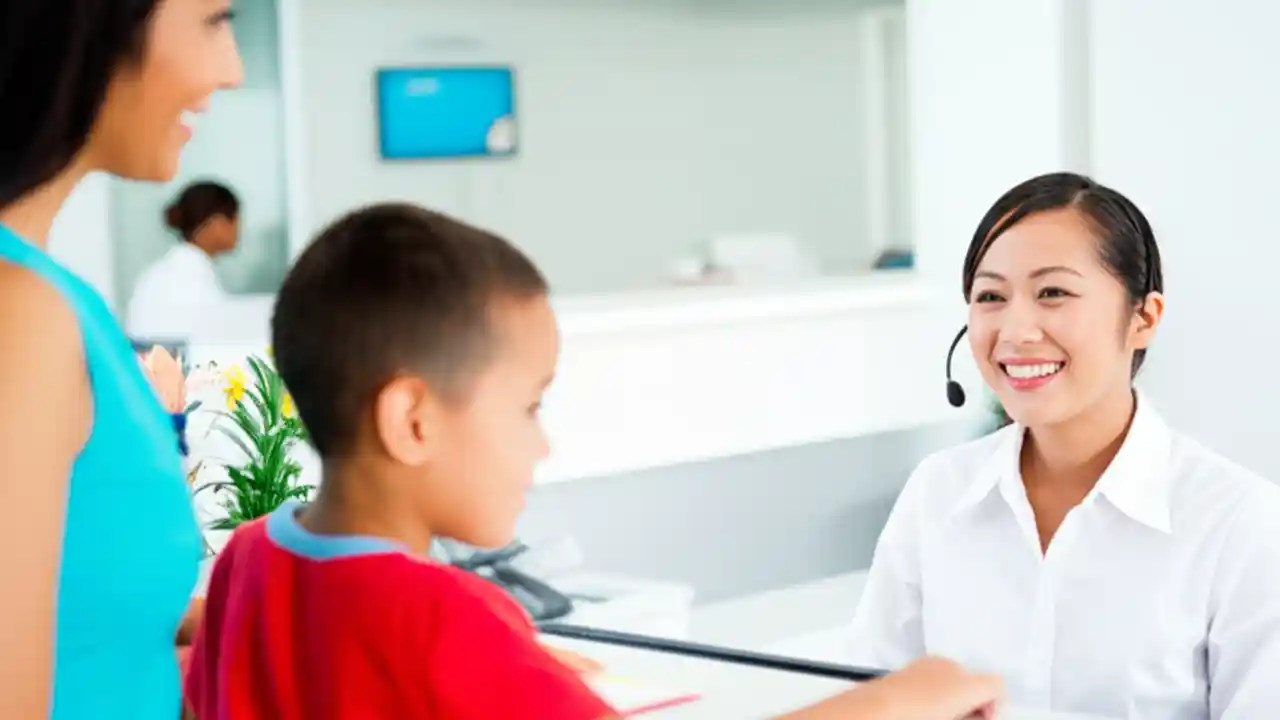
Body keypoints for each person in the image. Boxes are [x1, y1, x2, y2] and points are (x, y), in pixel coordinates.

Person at [186, 203, 1002, 720]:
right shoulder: (446, 620)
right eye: (530, 407)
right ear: (412, 419)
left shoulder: (251, 556)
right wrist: (896, 701)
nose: (543, 444)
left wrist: (512, 667)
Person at [846, 171, 1280, 718]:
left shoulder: (1239, 522)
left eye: (1053, 292)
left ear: (1143, 318)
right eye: (991, 296)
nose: (1016, 329)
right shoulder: (938, 491)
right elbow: (872, 699)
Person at [0, 1, 243, 718]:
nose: (231, 69)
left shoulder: (53, 300)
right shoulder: (22, 314)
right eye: (214, 20)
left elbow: (76, 605)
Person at [126, 180, 239, 341]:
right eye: (234, 220)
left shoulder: (154, 275)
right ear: (217, 223)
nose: (238, 229)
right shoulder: (193, 281)